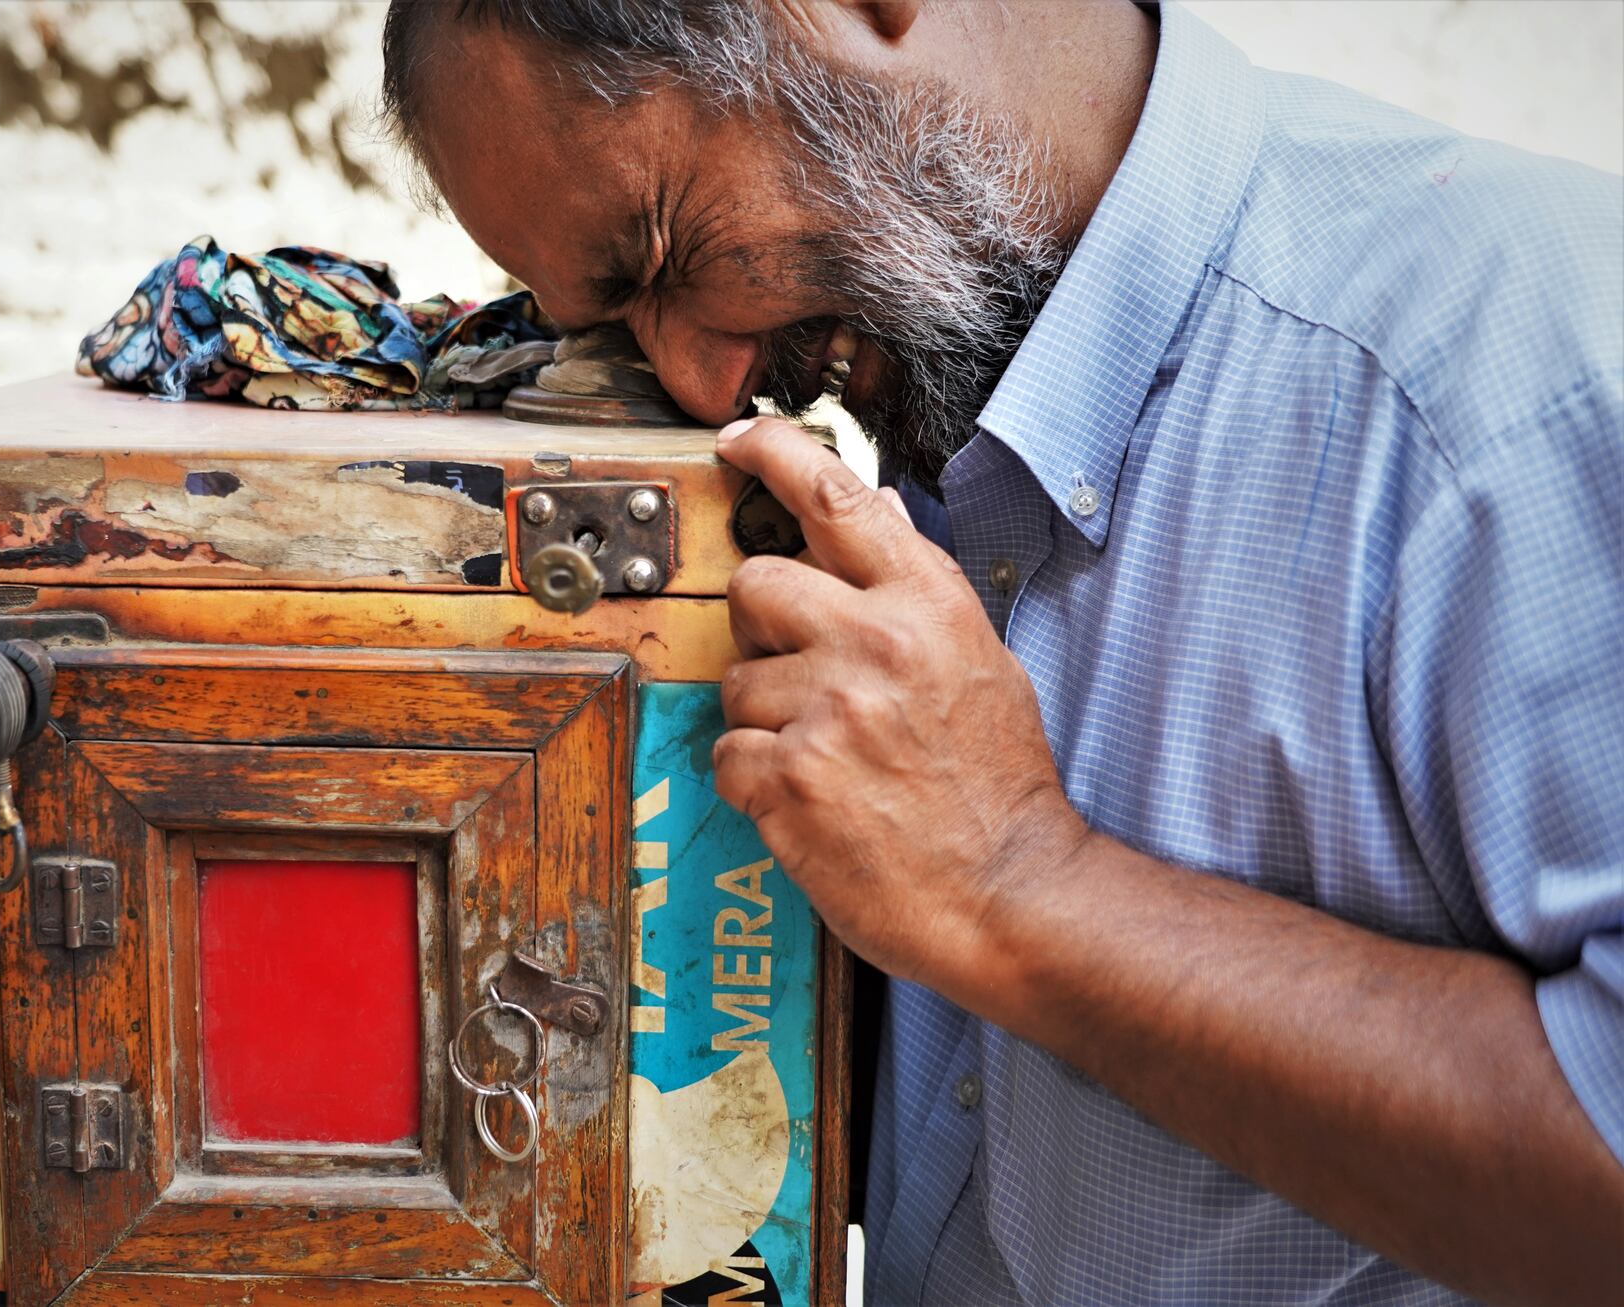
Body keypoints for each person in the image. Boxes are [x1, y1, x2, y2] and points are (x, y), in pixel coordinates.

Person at [379, 2, 1624, 1302]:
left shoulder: (1525, 386)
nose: (699, 384)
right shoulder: (939, 346)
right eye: (616, 322)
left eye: (662, 252)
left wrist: (1019, 883)